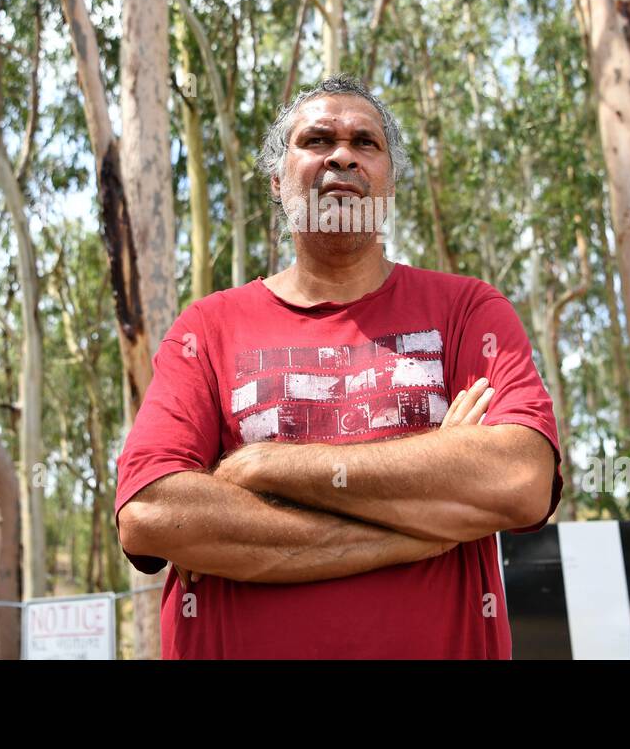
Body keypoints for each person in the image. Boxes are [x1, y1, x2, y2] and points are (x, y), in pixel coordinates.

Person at [114, 73, 563, 658]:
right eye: (318, 140)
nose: (343, 156)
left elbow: (519, 480)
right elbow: (152, 512)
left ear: (389, 183)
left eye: (365, 143)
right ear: (277, 181)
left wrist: (259, 466)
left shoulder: (466, 310)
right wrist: (419, 526)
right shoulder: (206, 329)